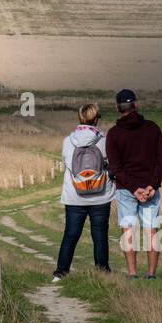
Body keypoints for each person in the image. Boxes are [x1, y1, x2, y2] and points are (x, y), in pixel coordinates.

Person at [105, 89, 162, 279]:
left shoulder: (114, 134)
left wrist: (134, 189)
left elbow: (116, 169)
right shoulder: (152, 128)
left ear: (118, 107)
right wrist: (151, 185)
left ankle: (132, 273)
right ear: (136, 105)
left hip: (127, 190)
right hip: (150, 190)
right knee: (151, 231)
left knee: (128, 231)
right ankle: (151, 274)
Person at [52, 103, 115, 282]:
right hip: (101, 194)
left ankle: (60, 272)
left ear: (80, 118)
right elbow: (110, 162)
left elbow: (67, 163)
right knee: (100, 235)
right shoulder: (104, 140)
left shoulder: (68, 141)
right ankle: (102, 273)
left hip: (75, 195)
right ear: (96, 119)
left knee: (71, 234)